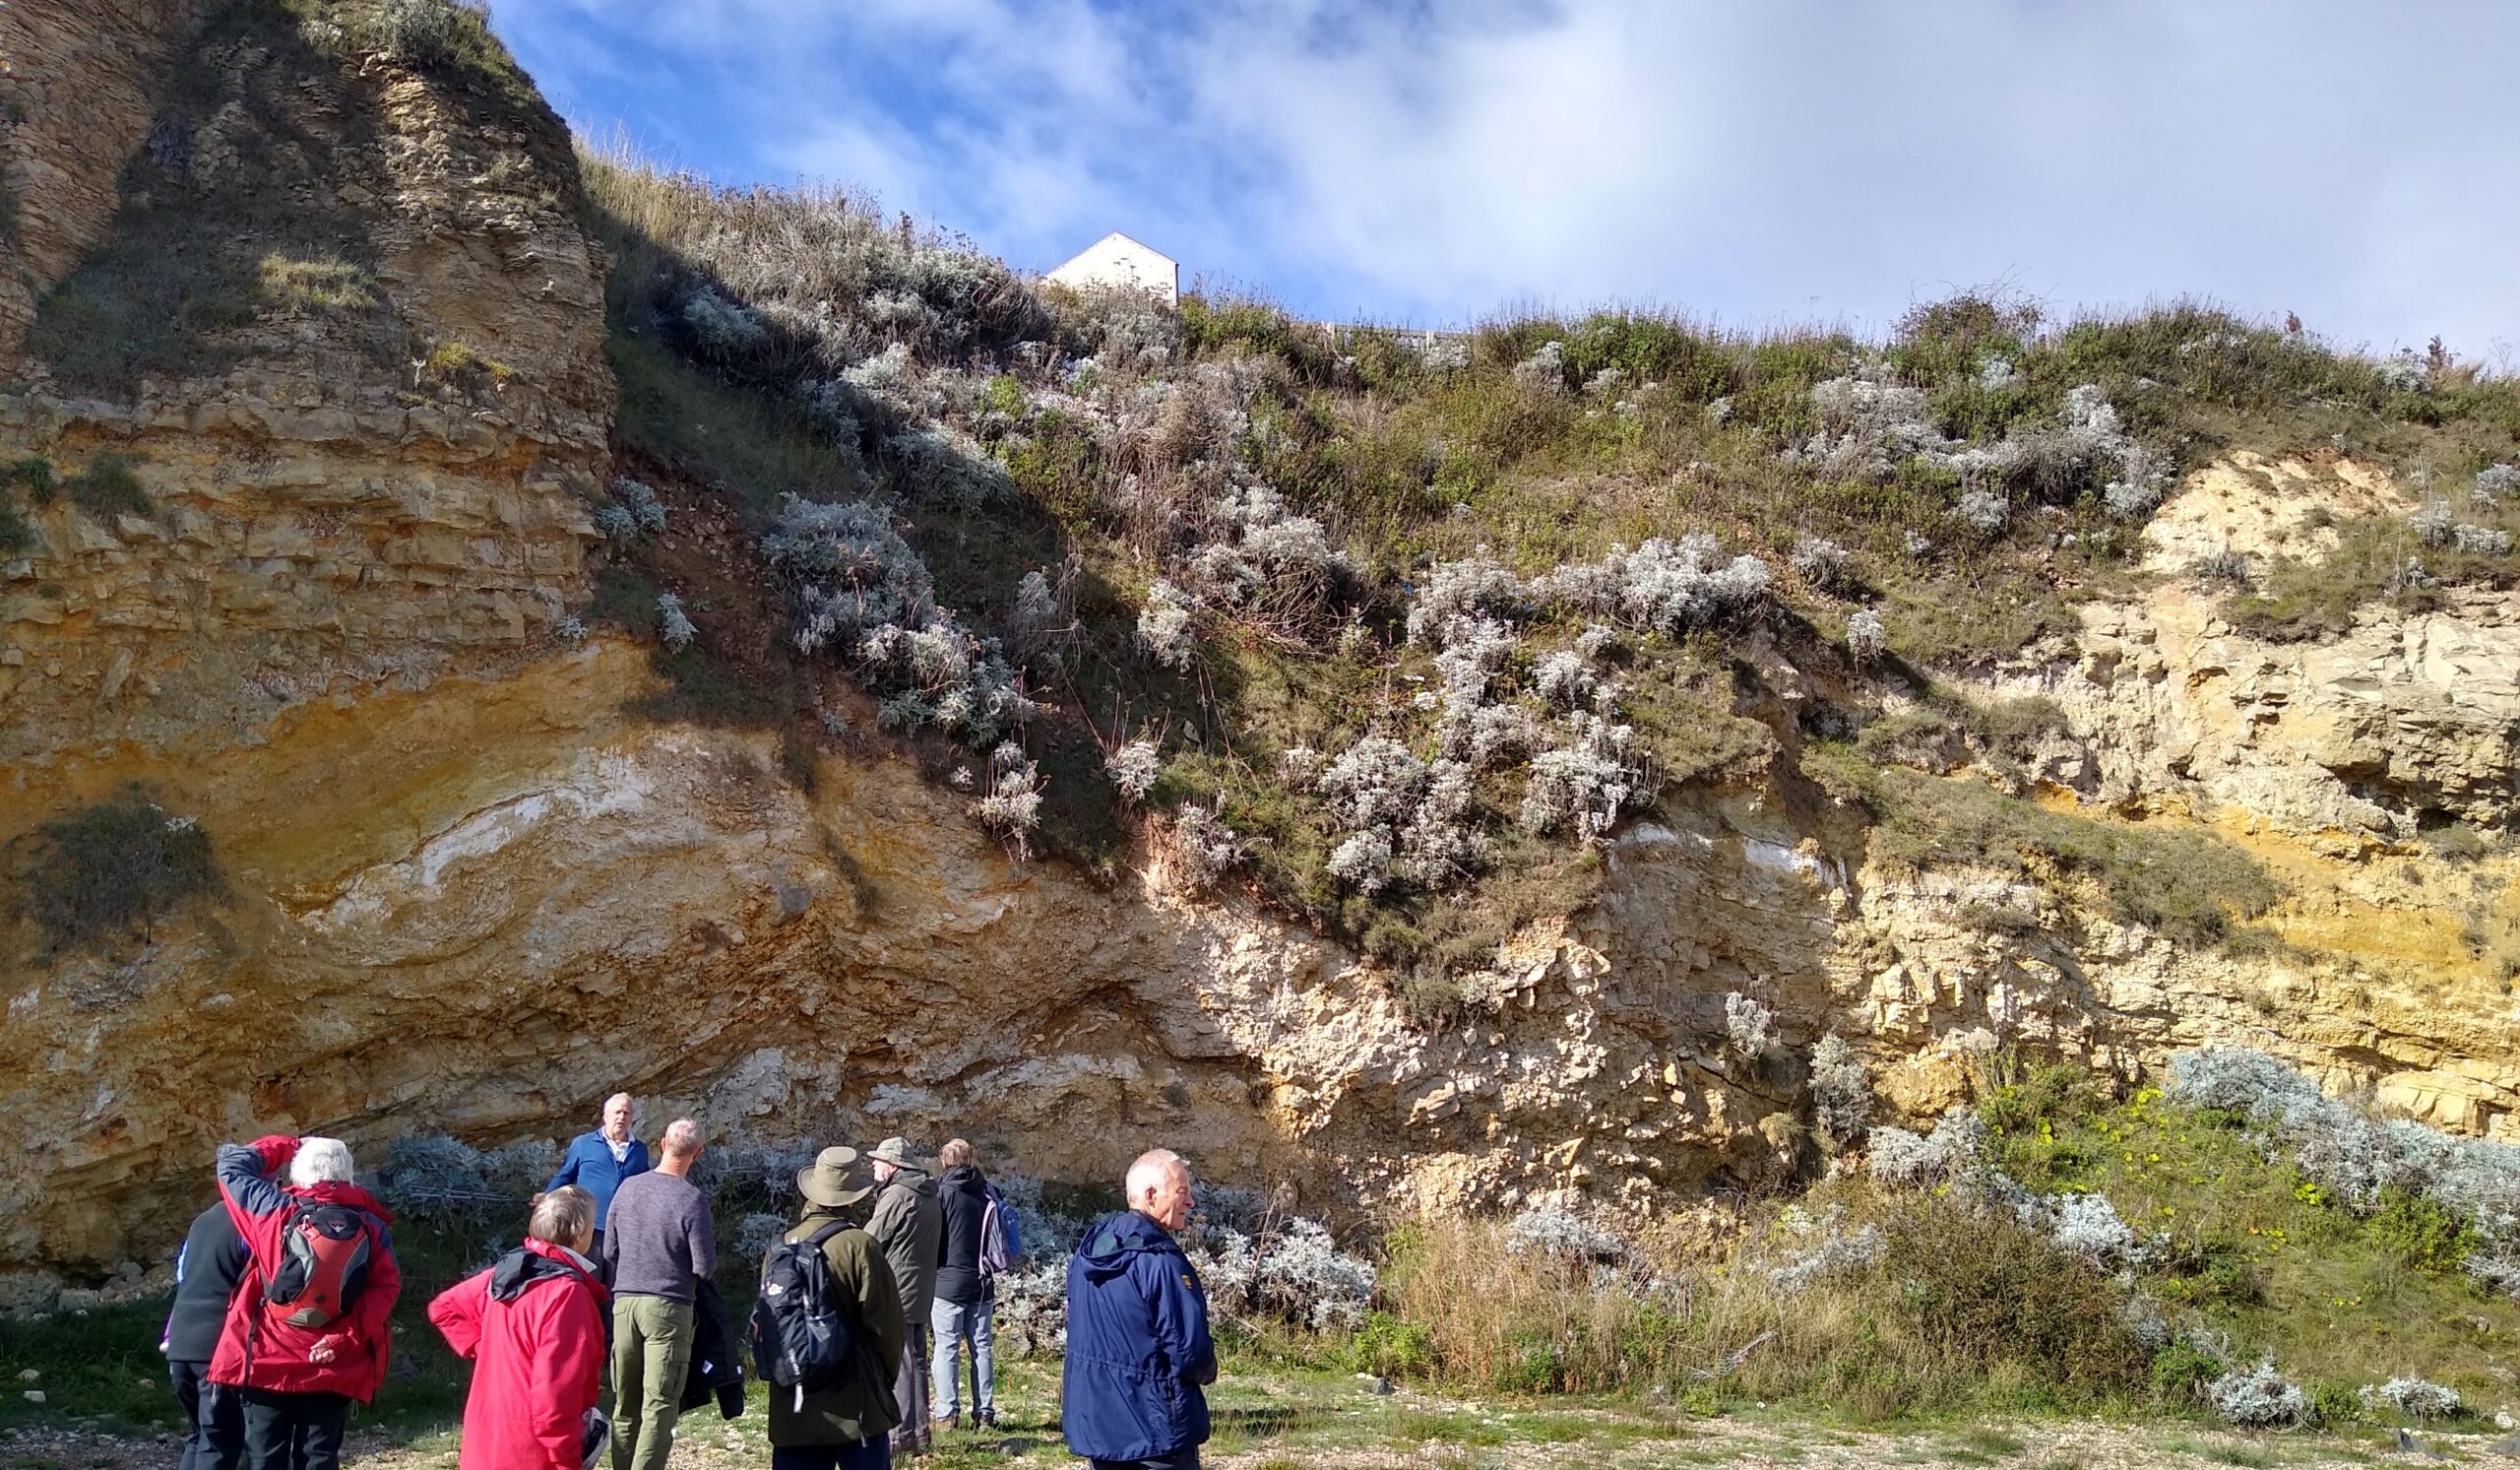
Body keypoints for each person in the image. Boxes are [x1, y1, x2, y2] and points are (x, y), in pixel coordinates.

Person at [209, 1135, 404, 1470]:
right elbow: (386, 1287)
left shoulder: (273, 1211)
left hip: (269, 1357)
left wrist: (289, 1142)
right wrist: (342, 1339)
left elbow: (232, 1165)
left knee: (265, 1457)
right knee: (318, 1457)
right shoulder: (371, 1225)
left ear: (299, 1173)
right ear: (348, 1174)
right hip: (335, 1363)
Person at [426, 1186, 610, 1470]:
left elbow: (445, 1307)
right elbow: (556, 1397)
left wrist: (494, 1353)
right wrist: (567, 1460)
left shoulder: (510, 1273)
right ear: (579, 1231)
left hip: (486, 1439)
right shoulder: (566, 1293)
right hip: (531, 1451)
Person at [1061, 1149, 1214, 1470]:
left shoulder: (1089, 1253)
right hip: (1155, 1431)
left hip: (1099, 1426)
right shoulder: (1160, 1262)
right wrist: (1208, 1369)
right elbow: (1189, 1351)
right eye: (1182, 1192)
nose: (1190, 1202)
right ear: (1150, 1195)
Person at [765, 1147, 908, 1470]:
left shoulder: (779, 1247)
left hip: (793, 1405)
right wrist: (883, 1379)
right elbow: (888, 1328)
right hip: (854, 1406)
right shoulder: (861, 1245)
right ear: (852, 1198)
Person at [600, 1118, 716, 1470]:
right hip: (668, 1306)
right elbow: (704, 1267)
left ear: (662, 1142)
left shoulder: (628, 1189)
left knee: (625, 1404)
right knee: (659, 1405)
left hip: (624, 1303)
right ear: (699, 1153)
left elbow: (608, 1250)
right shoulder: (692, 1200)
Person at [862, 1137, 940, 1457]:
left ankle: (900, 1438)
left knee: (901, 1363)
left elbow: (870, 1239)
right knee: (917, 1361)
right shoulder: (928, 1193)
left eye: (878, 1160)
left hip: (897, 1287)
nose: (873, 1165)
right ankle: (920, 1433)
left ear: (893, 1166)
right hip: (922, 1288)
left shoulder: (897, 1194)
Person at [163, 1196, 249, 1470]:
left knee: (199, 1437)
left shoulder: (202, 1221)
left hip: (178, 1342)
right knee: (220, 1440)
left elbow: (181, 1273)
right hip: (215, 1349)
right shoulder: (250, 1223)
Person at [927, 1139, 1000, 1432]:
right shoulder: (988, 1191)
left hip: (947, 1283)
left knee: (946, 1348)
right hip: (982, 1282)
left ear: (944, 1162)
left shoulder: (941, 1193)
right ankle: (985, 1413)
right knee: (982, 1348)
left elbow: (934, 1239)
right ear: (971, 1159)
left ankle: (947, 1415)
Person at [544, 1095, 649, 1259]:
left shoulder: (640, 1150)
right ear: (606, 1116)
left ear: (631, 1119)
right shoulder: (583, 1144)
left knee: (616, 1283)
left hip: (624, 1232)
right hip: (589, 1229)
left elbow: (643, 1186)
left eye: (626, 1113)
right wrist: (546, 1197)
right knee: (589, 1279)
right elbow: (564, 1176)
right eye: (617, 1112)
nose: (621, 1117)